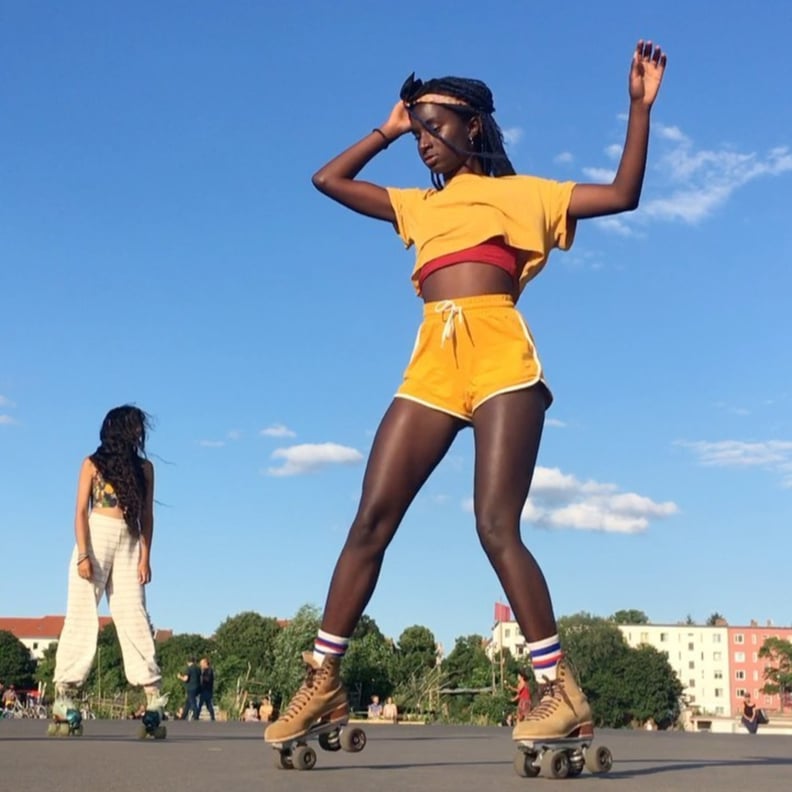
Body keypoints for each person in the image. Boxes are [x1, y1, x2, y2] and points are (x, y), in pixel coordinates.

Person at [264, 40, 667, 747]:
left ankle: (559, 690)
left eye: (434, 126)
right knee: (370, 520)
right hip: (433, 361)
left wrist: (638, 108)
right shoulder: (418, 205)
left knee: (495, 524)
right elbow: (328, 179)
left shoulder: (527, 194)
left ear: (473, 125)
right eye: (416, 131)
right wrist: (388, 128)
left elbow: (623, 194)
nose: (423, 141)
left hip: (500, 354)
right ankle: (323, 682)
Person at [52, 405, 167, 724]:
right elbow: (80, 511)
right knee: (81, 613)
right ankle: (64, 693)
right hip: (96, 536)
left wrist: (145, 556)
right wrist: (83, 554)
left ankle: (153, 695)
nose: (140, 432)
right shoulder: (92, 464)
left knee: (134, 613)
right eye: (135, 426)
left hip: (130, 540)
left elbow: (147, 516)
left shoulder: (145, 469)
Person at [196, 657, 216, 721]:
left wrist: (202, 675)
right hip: (204, 690)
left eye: (201, 664)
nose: (201, 665)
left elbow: (208, 679)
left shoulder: (209, 670)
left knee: (201, 704)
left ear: (205, 663)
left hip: (207, 690)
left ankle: (196, 717)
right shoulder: (205, 670)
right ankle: (212, 717)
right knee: (207, 704)